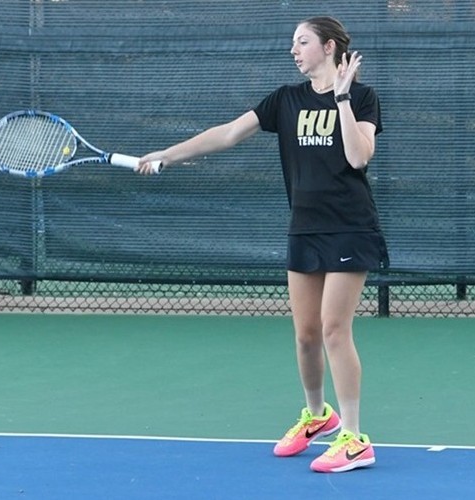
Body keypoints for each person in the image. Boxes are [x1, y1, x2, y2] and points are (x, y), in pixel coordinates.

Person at [137, 16, 387, 474]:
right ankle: (317, 416)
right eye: (293, 42)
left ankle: (354, 438)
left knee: (334, 329)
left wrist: (344, 99)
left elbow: (358, 156)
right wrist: (167, 154)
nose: (294, 50)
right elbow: (228, 133)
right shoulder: (284, 100)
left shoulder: (364, 97)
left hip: (349, 227)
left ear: (329, 47)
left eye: (303, 42)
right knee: (306, 334)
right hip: (304, 227)